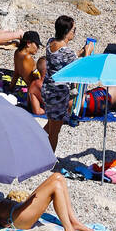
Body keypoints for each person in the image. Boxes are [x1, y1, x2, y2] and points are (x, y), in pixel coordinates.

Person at [41, 15, 85, 151]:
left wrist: (80, 52)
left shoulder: (50, 43)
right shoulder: (67, 52)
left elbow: (67, 58)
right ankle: (49, 158)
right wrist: (87, 52)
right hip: (58, 94)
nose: (74, 33)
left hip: (48, 89)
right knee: (55, 131)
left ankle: (35, 143)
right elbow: (80, 65)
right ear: (67, 32)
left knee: (50, 123)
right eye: (74, 30)